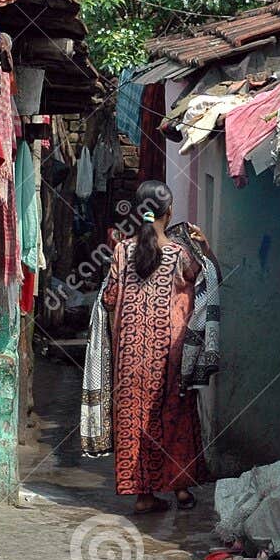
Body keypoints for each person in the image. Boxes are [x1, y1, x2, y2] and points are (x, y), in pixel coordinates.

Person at [102, 180, 212, 513]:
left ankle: (144, 496)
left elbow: (108, 299)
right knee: (175, 417)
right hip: (172, 353)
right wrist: (204, 248)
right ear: (170, 212)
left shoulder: (121, 251)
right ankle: (180, 489)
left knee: (135, 421)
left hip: (130, 355)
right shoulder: (181, 255)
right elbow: (209, 284)